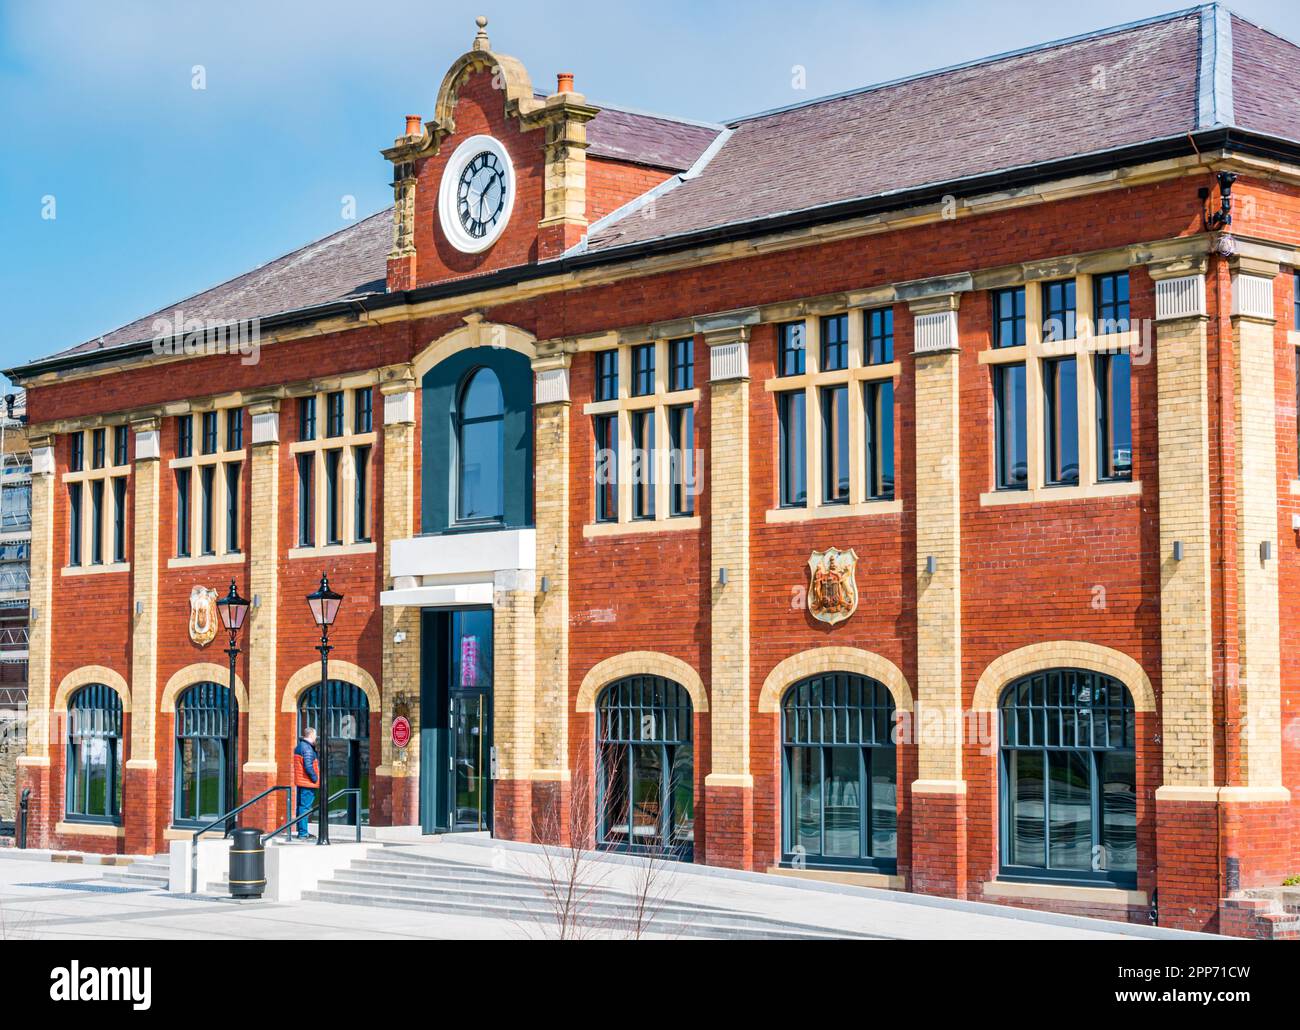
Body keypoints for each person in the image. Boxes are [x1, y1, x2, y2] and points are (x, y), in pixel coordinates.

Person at [292, 727, 319, 841]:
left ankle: (302, 831)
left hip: (302, 782)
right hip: (307, 783)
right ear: (311, 735)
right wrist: (315, 778)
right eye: (315, 735)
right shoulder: (307, 748)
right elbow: (308, 766)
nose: (315, 738)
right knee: (305, 807)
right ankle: (303, 833)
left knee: (301, 807)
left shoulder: (300, 746)